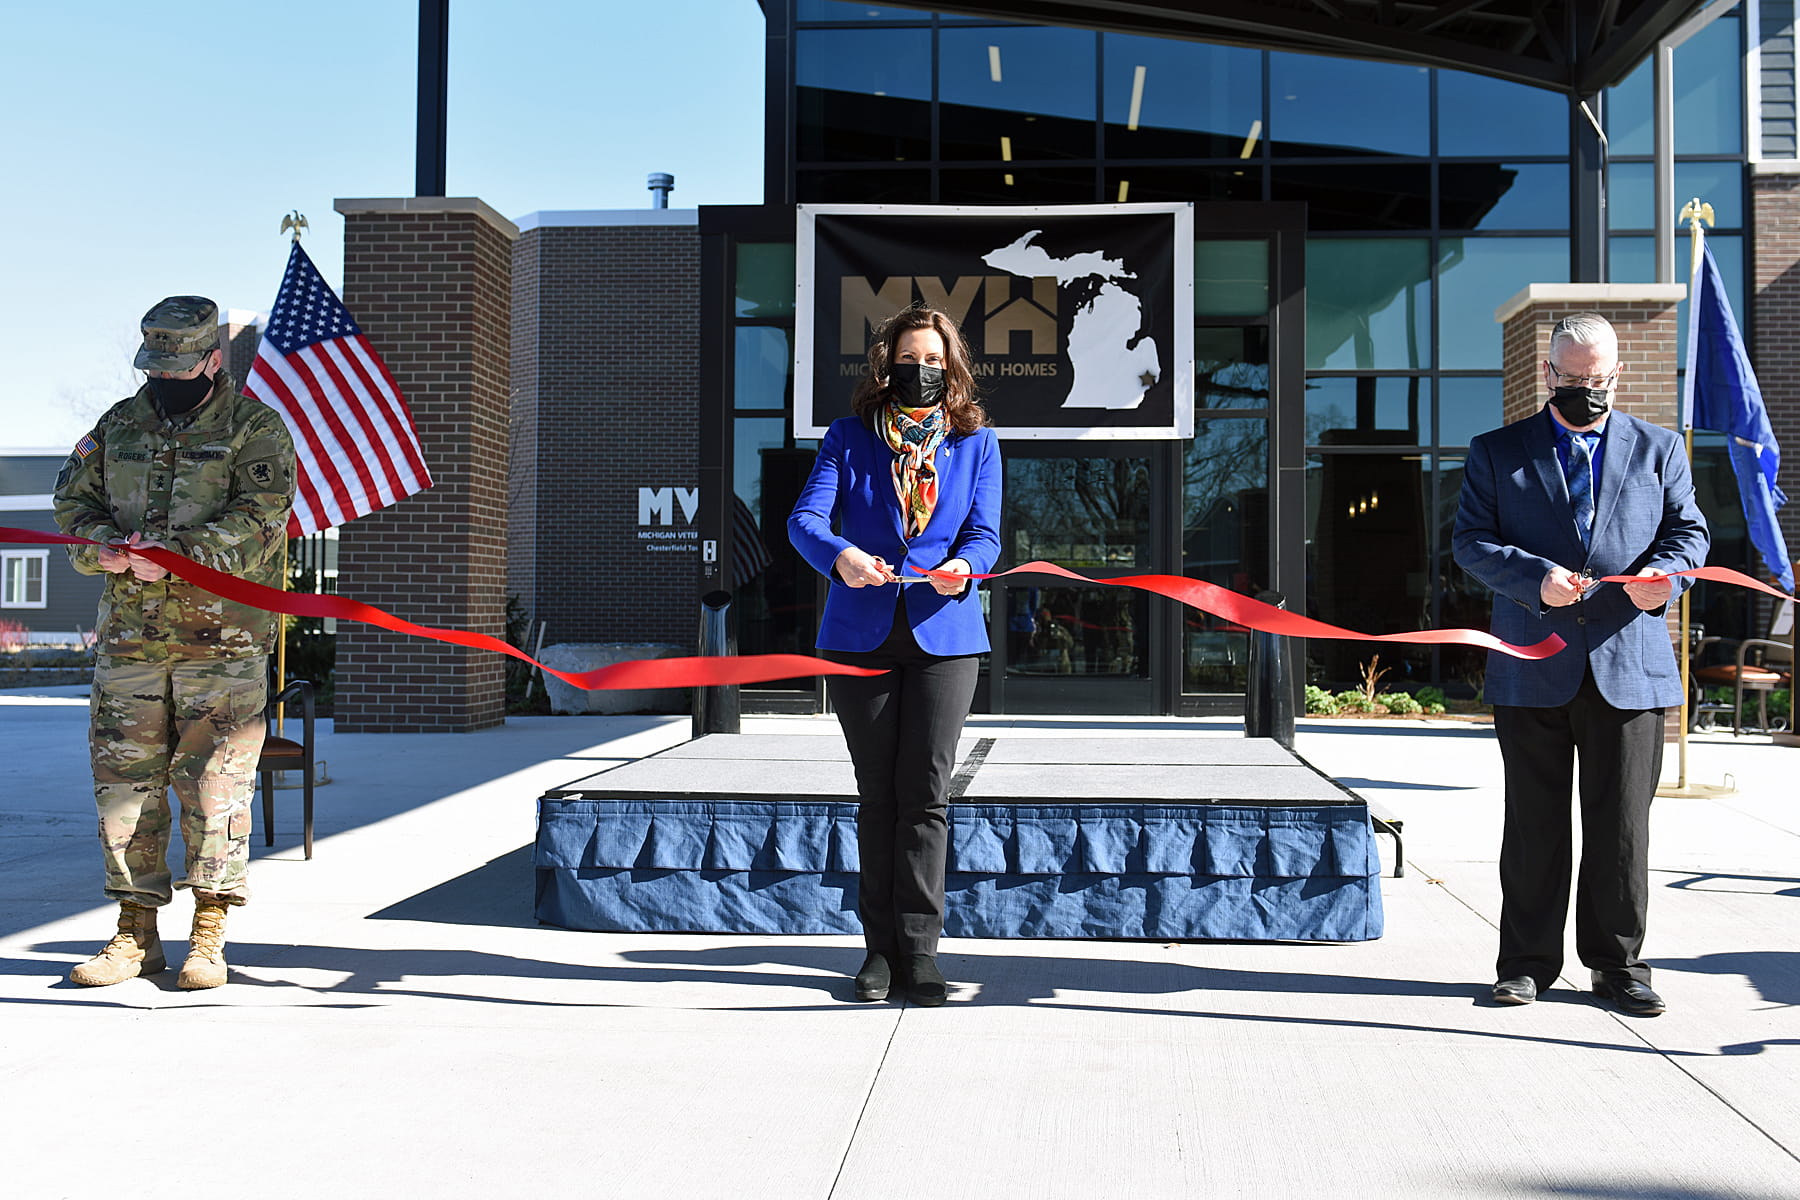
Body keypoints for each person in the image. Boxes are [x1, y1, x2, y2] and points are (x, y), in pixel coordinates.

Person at [1452, 311, 1708, 1016]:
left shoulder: (1660, 448)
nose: (1586, 392)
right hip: (1533, 662)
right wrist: (1533, 576)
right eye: (1572, 380)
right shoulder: (1496, 451)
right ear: (1547, 374)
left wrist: (1669, 576)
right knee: (1533, 826)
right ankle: (1526, 964)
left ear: (1616, 375)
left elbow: (1690, 532)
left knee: (1621, 829)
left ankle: (1619, 966)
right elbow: (1470, 541)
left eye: (1598, 381)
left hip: (1632, 667)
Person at [53, 296, 297, 990]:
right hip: (132, 642)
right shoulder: (120, 424)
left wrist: (180, 554)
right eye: (155, 366)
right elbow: (73, 502)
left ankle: (209, 931)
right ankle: (134, 934)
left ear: (212, 359)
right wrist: (101, 550)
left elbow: (261, 519)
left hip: (221, 646)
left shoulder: (256, 429)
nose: (164, 379)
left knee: (214, 787)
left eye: (179, 367)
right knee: (125, 789)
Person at [789, 305, 1002, 1007]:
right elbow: (806, 522)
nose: (924, 370)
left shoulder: (977, 441)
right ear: (887, 364)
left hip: (947, 635)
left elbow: (986, 532)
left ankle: (921, 951)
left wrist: (965, 566)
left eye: (936, 360)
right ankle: (877, 952)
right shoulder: (848, 438)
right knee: (877, 795)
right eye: (912, 358)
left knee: (926, 797)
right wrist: (842, 556)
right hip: (860, 634)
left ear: (952, 367)